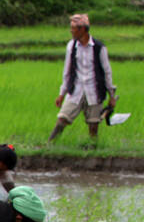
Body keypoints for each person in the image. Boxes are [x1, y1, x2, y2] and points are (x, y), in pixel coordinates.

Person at [49, 13, 116, 144]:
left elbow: (107, 72)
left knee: (93, 125)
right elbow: (67, 71)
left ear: (83, 29)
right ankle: (50, 144)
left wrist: (112, 95)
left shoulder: (99, 48)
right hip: (76, 90)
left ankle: (93, 148)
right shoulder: (71, 46)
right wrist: (61, 94)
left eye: (74, 28)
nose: (71, 31)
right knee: (62, 119)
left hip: (94, 91)